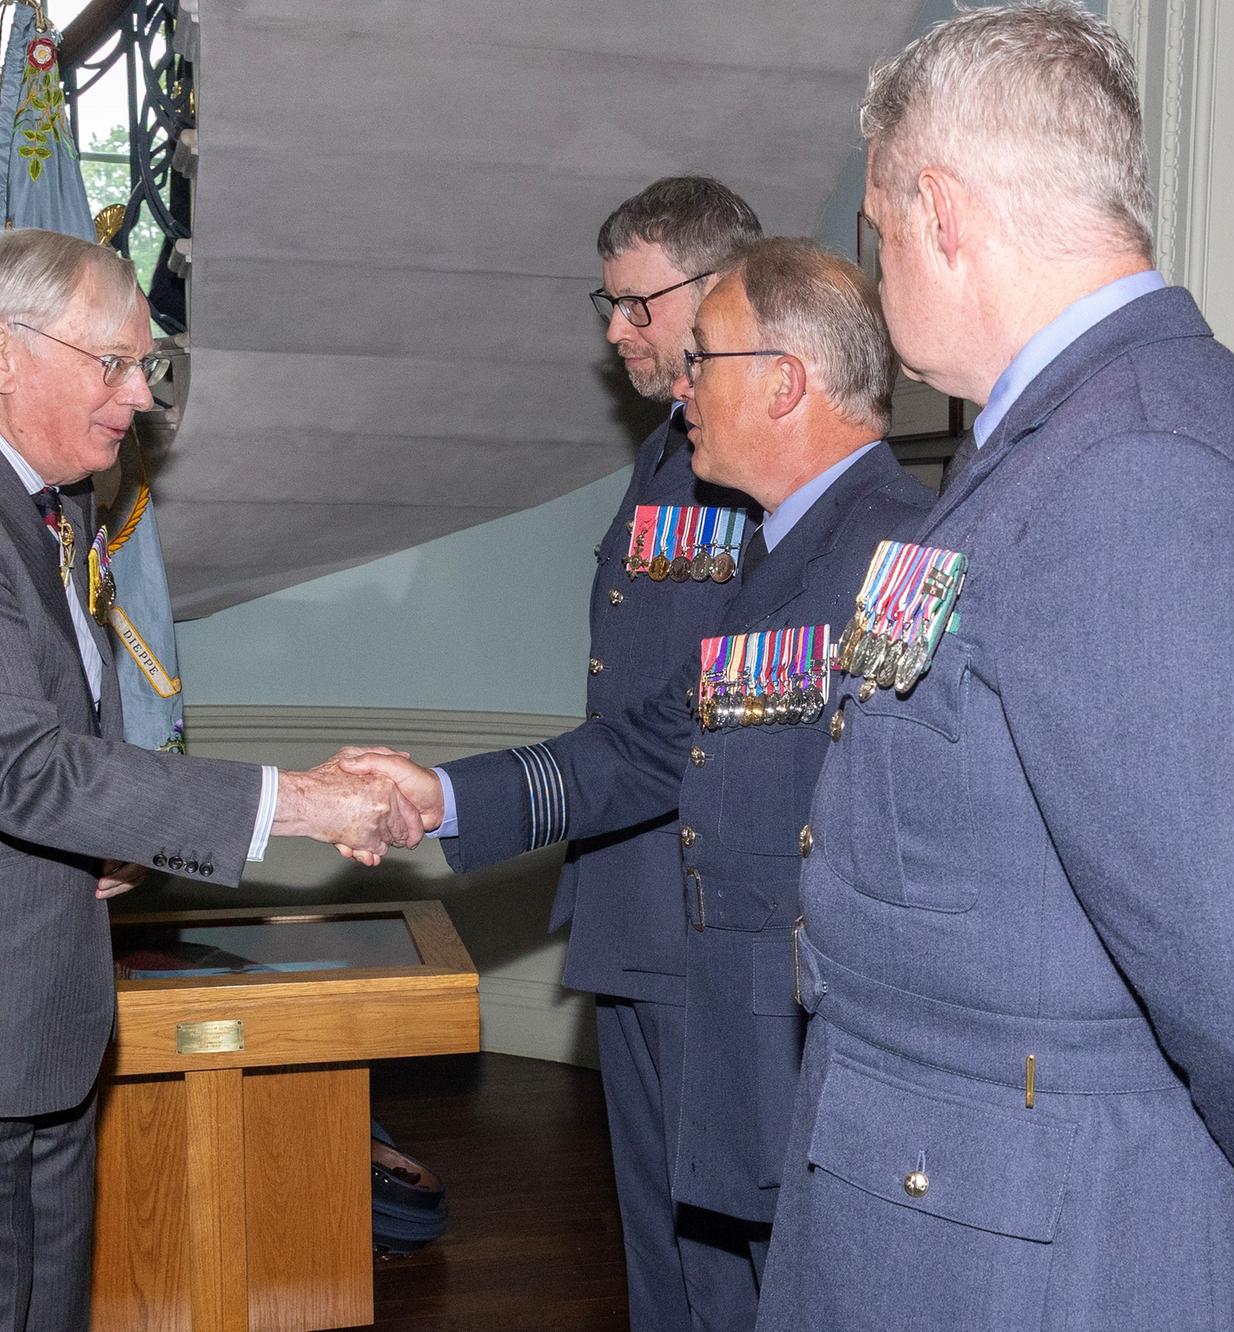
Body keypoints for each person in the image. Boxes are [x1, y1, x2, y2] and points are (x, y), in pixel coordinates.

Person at [752, 4, 1234, 1328]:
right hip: (962, 1196)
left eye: (876, 228)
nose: (880, 267)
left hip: (1041, 1241)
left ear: (939, 209)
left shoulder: (1138, 476)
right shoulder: (1057, 443)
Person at [0, 226, 424, 1331]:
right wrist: (301, 801)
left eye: (147, 367)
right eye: (112, 364)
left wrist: (98, 847)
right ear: (3, 355)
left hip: (33, 1017)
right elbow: (20, 768)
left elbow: (14, 742)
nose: (142, 398)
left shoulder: (39, 496)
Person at [344, 238, 932, 1330]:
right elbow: (660, 741)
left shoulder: (896, 554)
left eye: (701, 359)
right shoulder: (785, 548)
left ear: (783, 380)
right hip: (740, 1015)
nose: (681, 389)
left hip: (817, 1041)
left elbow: (919, 827)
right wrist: (441, 795)